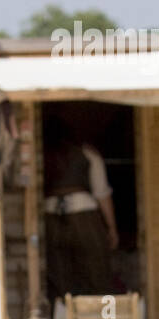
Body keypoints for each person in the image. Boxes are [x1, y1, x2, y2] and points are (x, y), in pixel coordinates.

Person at [43, 115, 119, 303]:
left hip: (52, 217)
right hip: (84, 216)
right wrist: (111, 227)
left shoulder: (44, 155)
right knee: (99, 272)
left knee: (61, 280)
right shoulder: (88, 153)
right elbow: (102, 193)